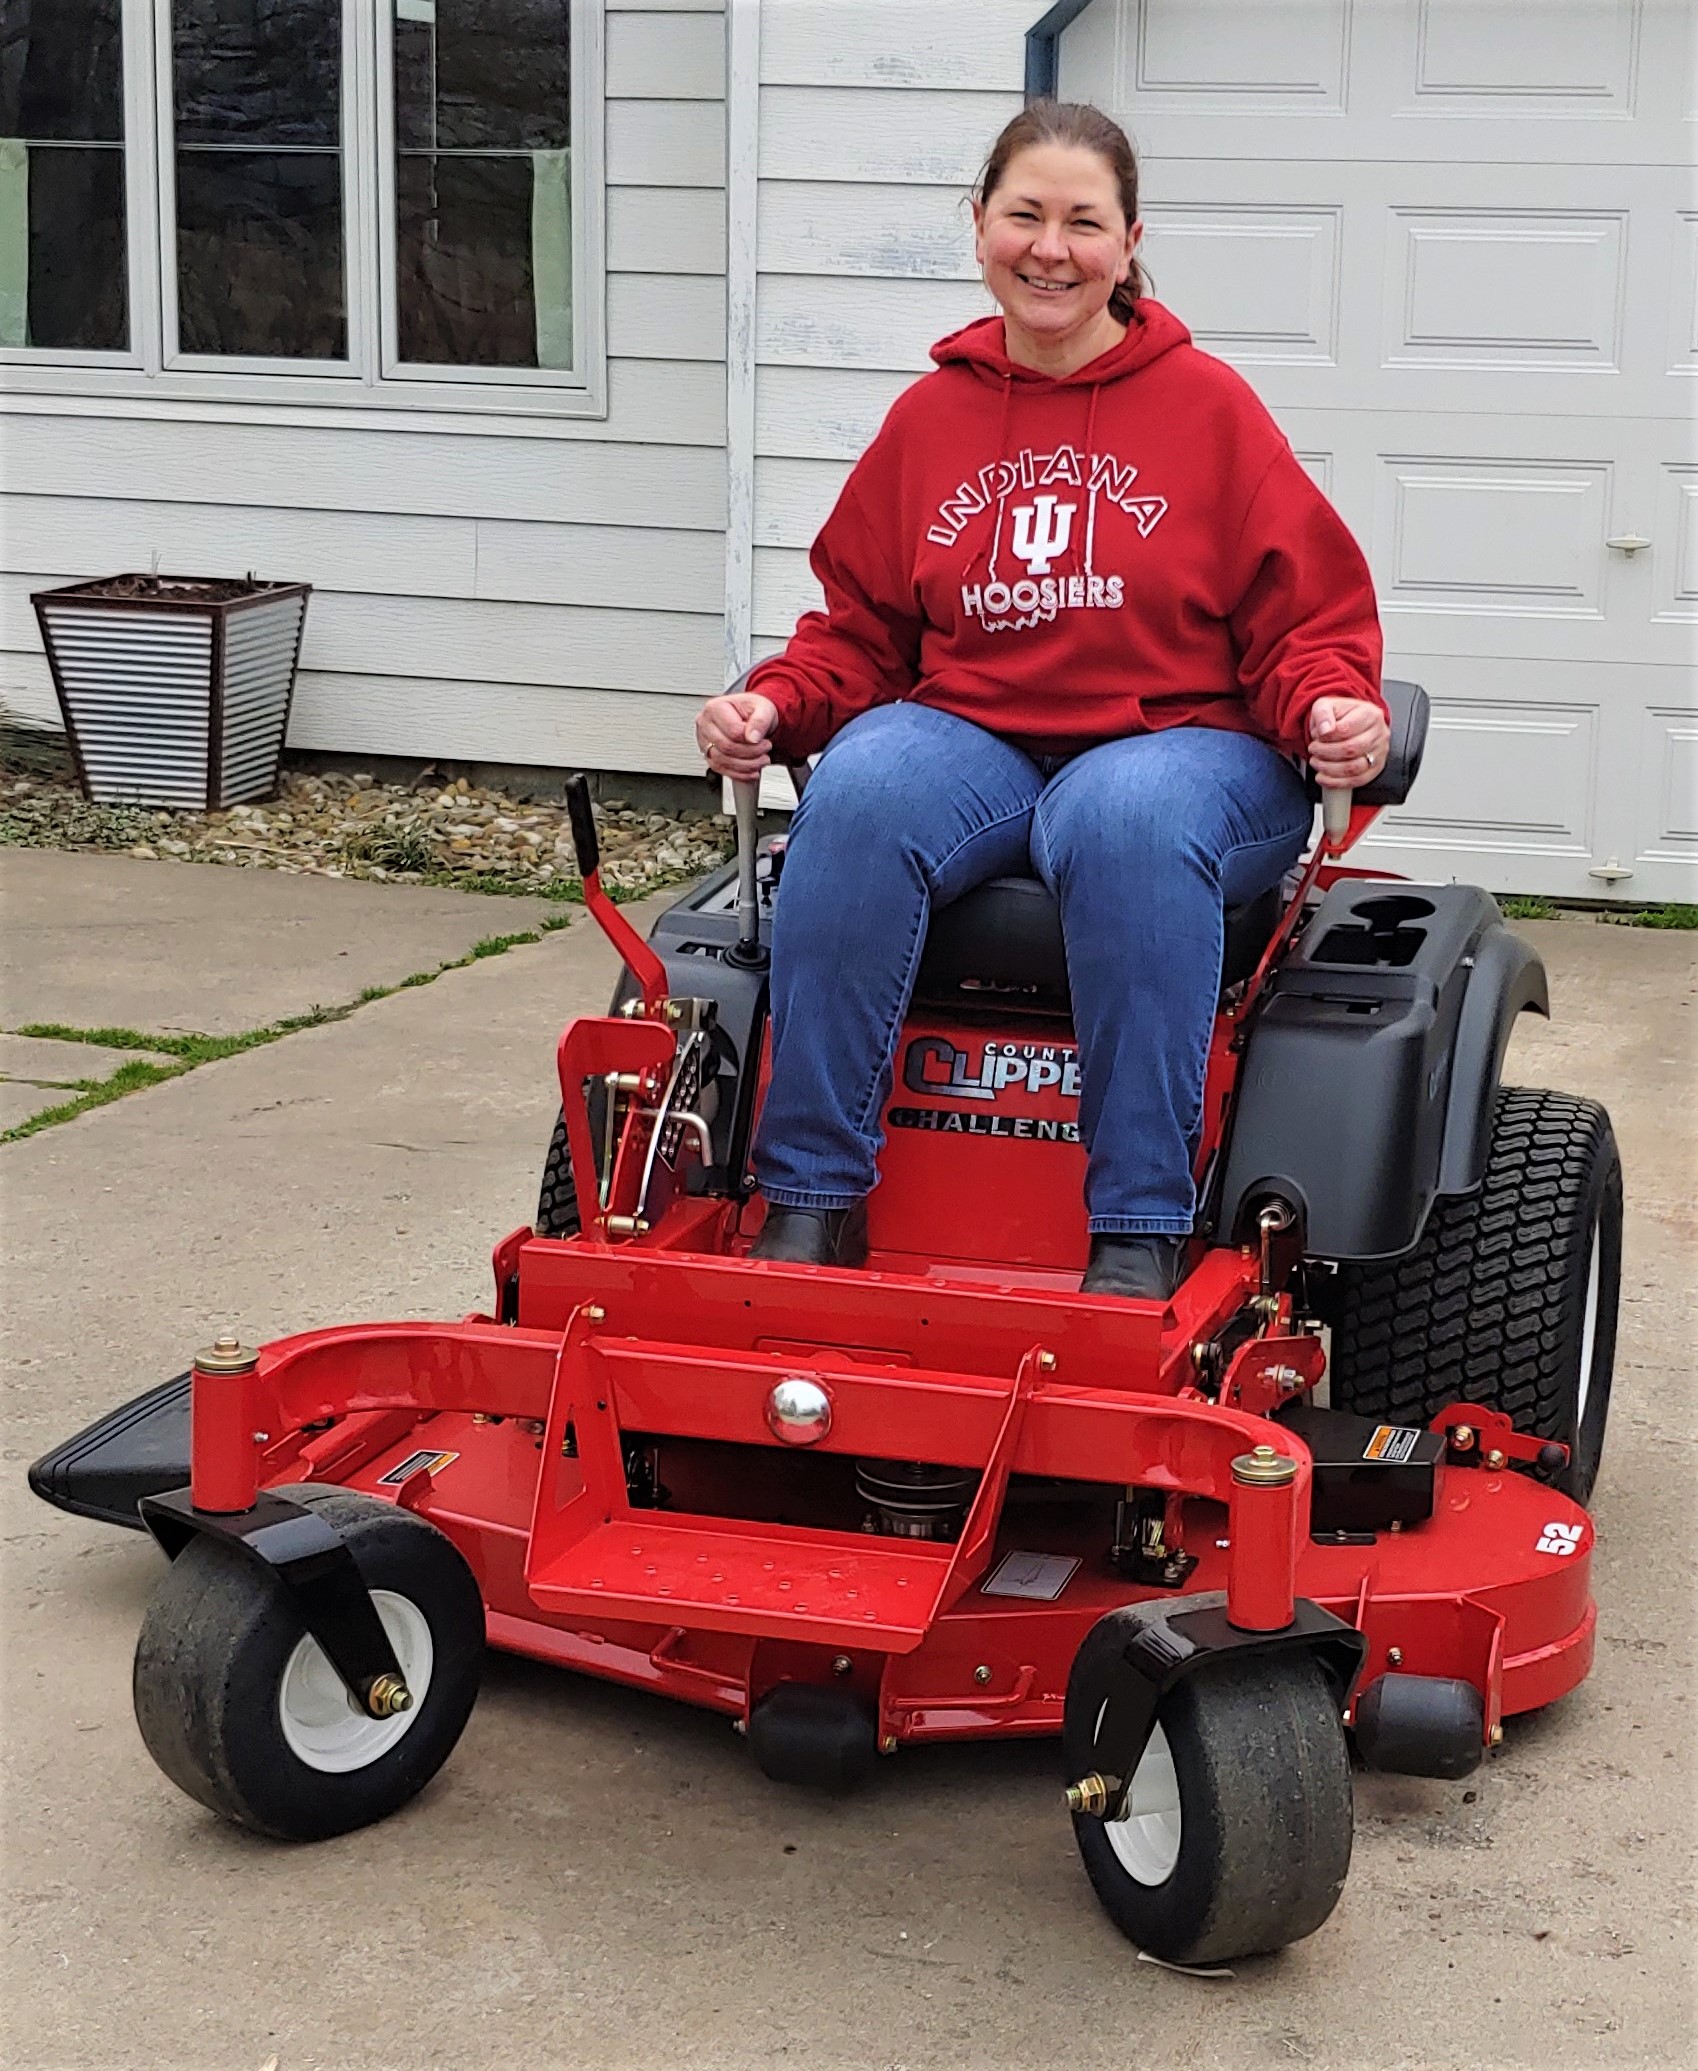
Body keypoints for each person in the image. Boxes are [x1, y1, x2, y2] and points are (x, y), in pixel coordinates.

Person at [696, 100, 1389, 1301]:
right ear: (978, 229)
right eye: (1025, 215)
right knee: (859, 789)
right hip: (975, 735)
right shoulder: (932, 417)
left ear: (1128, 244)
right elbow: (862, 630)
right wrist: (774, 702)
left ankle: (1135, 1233)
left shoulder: (1209, 410)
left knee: (1120, 821)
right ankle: (809, 1206)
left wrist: (1335, 704)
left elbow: (1303, 624)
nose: (1050, 247)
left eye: (1083, 221)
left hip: (1186, 743)